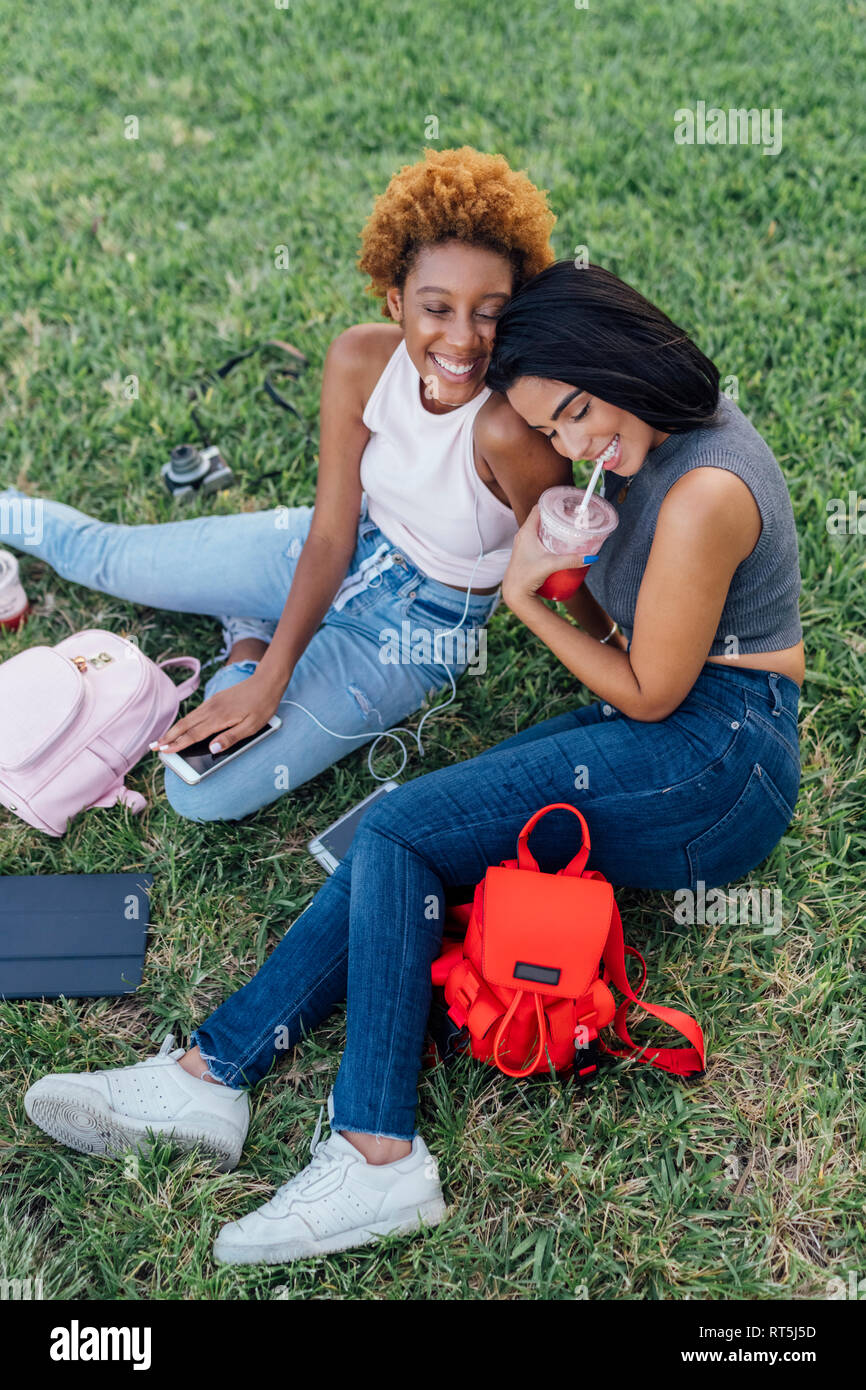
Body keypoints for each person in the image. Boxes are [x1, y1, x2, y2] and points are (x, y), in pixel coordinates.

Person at [24, 261, 803, 1267]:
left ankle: (376, 1150)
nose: (570, 448)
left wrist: (525, 598)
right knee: (405, 830)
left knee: (402, 829)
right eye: (551, 432)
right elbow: (632, 643)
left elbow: (648, 688)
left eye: (571, 416)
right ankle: (208, 1077)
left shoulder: (701, 487)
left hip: (717, 758)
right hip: (677, 725)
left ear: (615, 357)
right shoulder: (645, 430)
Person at [0, 148, 574, 823]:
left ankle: (247, 634)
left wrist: (255, 674)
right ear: (396, 300)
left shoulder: (514, 427)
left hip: (414, 631)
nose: (463, 337)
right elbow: (331, 533)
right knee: (105, 558)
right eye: (436, 307)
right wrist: (273, 683)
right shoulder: (359, 360)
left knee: (198, 792)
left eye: (490, 310)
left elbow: (566, 560)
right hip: (330, 547)